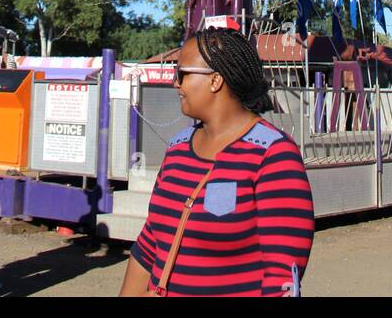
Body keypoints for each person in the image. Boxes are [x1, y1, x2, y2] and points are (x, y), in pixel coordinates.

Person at [120, 28, 314, 297]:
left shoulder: (274, 157)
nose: (175, 83)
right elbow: (150, 243)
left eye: (182, 74)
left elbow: (280, 279)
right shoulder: (177, 149)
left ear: (215, 81)